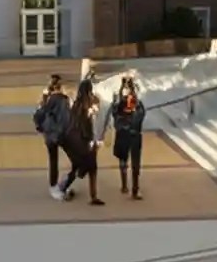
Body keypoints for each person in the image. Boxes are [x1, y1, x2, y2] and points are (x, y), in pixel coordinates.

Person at [54, 78, 104, 206]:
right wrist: (93, 142)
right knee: (90, 167)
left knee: (80, 166)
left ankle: (64, 186)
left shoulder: (77, 104)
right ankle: (92, 195)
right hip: (82, 142)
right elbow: (88, 126)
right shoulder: (85, 106)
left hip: (73, 142)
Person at [101, 76, 147, 199]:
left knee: (129, 162)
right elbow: (140, 115)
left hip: (126, 135)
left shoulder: (122, 106)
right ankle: (131, 188)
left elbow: (117, 115)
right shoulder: (133, 106)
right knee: (128, 162)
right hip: (131, 135)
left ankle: (130, 187)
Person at [33, 74, 70, 193]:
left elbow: (39, 114)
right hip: (63, 133)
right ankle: (67, 182)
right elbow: (67, 117)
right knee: (75, 158)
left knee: (53, 159)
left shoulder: (46, 99)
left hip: (49, 134)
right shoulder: (64, 100)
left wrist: (40, 127)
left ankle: (53, 184)